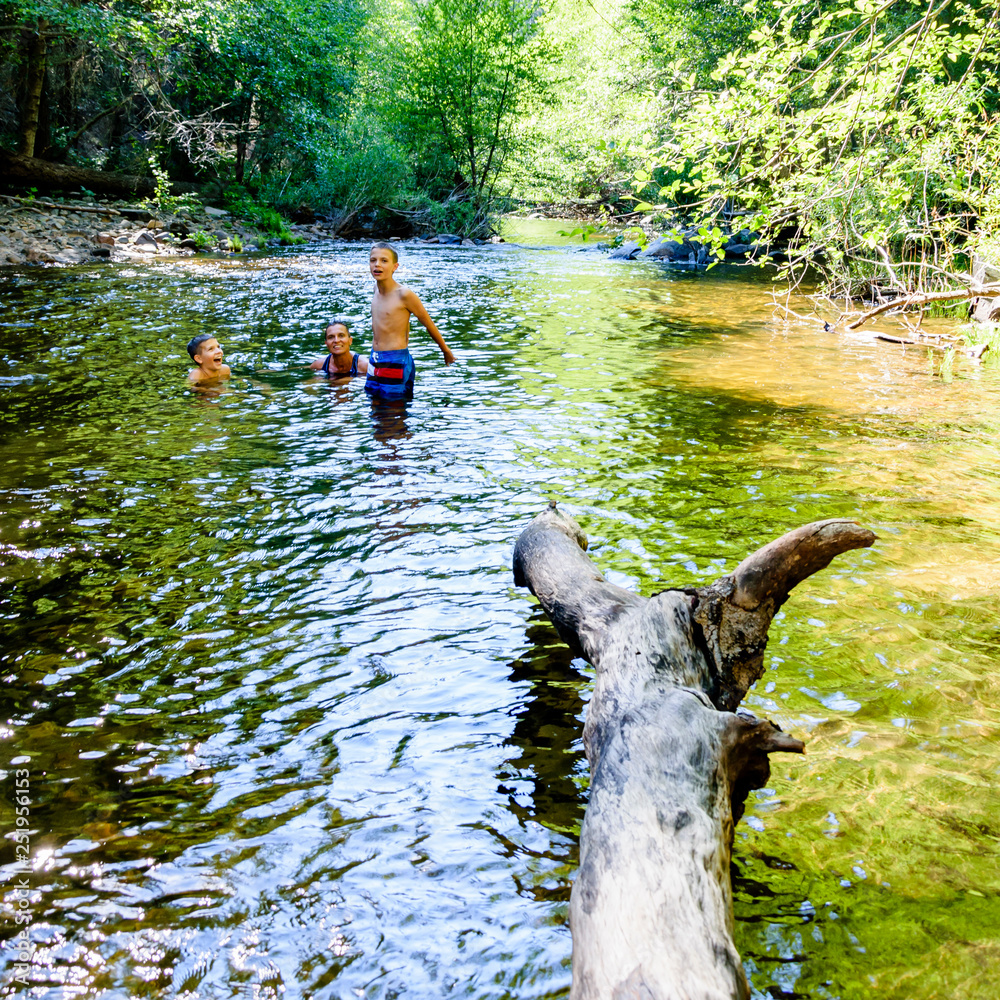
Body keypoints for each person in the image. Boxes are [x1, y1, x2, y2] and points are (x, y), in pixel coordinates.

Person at [366, 241, 455, 399]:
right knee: (375, 407)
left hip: (395, 359)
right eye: (373, 260)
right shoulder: (375, 290)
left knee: (392, 412)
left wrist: (445, 350)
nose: (377, 265)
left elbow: (428, 323)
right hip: (374, 358)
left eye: (384, 261)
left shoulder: (404, 294)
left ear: (395, 266)